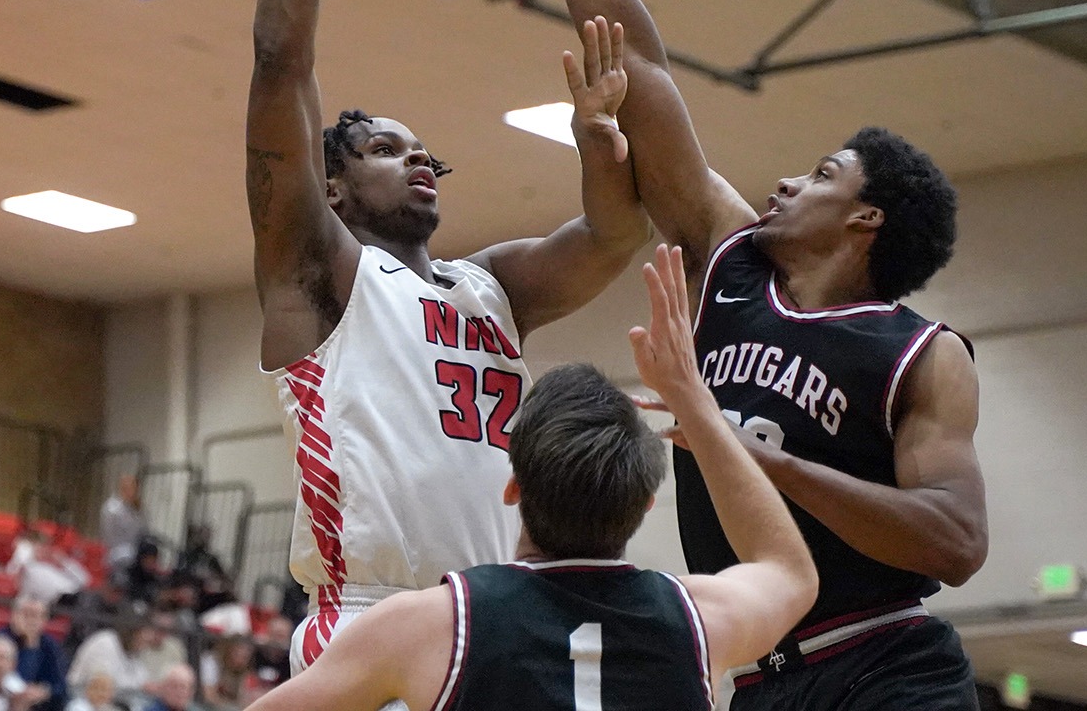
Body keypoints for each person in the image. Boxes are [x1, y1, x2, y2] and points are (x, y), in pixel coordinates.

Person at [496, 0, 987, 708]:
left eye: (822, 174)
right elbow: (638, 59)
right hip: (759, 683)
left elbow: (956, 542)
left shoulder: (920, 356)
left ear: (865, 218)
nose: (786, 181)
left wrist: (769, 464)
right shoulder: (730, 256)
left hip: (888, 665)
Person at [245, 0, 650, 672]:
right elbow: (278, 63)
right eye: (386, 147)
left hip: (496, 621)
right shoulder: (318, 274)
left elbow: (615, 229)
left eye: (426, 150)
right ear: (333, 188)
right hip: (370, 620)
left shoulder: (490, 289)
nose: (419, 158)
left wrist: (598, 139)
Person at [242, 248, 816, 711]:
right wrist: (696, 405)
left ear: (513, 486)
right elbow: (789, 570)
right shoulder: (698, 617)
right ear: (645, 505)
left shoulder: (434, 623)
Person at [0, 600, 63, 711]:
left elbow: (60, 685)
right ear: (14, 615)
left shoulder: (49, 645)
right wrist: (29, 646)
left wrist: (45, 691)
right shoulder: (1, 639)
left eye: (37, 616)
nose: (31, 621)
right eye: (27, 614)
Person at [4, 537, 87, 611]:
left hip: (79, 594)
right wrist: (22, 553)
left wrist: (64, 562)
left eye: (43, 547)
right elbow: (13, 572)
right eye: (36, 547)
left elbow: (84, 579)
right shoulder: (28, 569)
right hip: (58, 602)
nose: (41, 550)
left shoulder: (55, 564)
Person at [97, 478, 142, 589]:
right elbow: (108, 534)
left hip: (134, 550)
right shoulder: (112, 508)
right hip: (116, 552)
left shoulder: (135, 509)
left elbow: (141, 531)